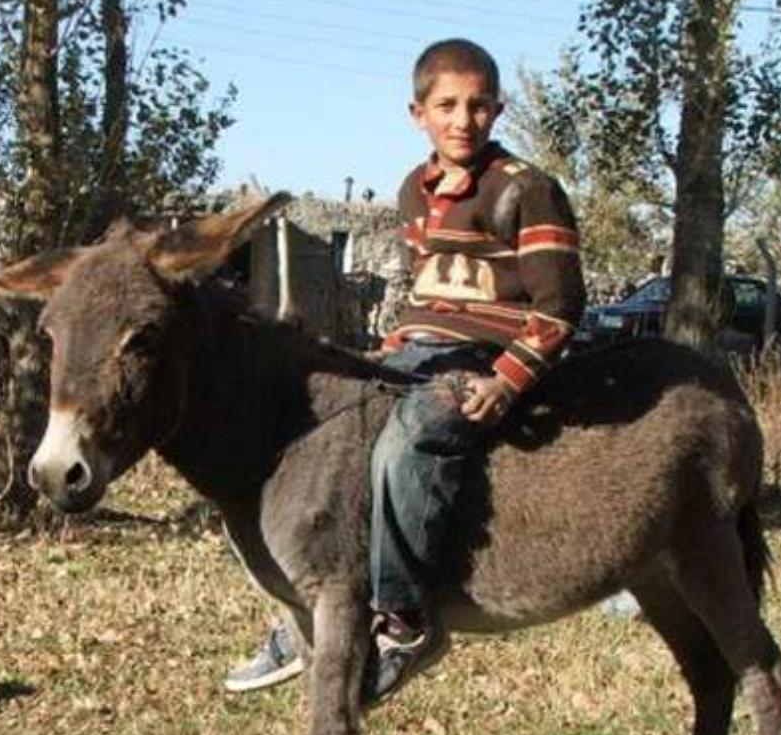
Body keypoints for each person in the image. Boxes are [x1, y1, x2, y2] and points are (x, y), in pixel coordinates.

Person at [226, 37, 585, 701]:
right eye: (446, 105)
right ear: (417, 112)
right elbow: (426, 292)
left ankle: (403, 618)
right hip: (417, 350)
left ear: (498, 109)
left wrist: (506, 379)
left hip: (482, 360)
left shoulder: (526, 191)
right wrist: (387, 350)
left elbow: (561, 306)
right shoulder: (410, 192)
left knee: (407, 442)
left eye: (478, 105)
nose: (462, 119)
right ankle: (301, 608)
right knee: (314, 429)